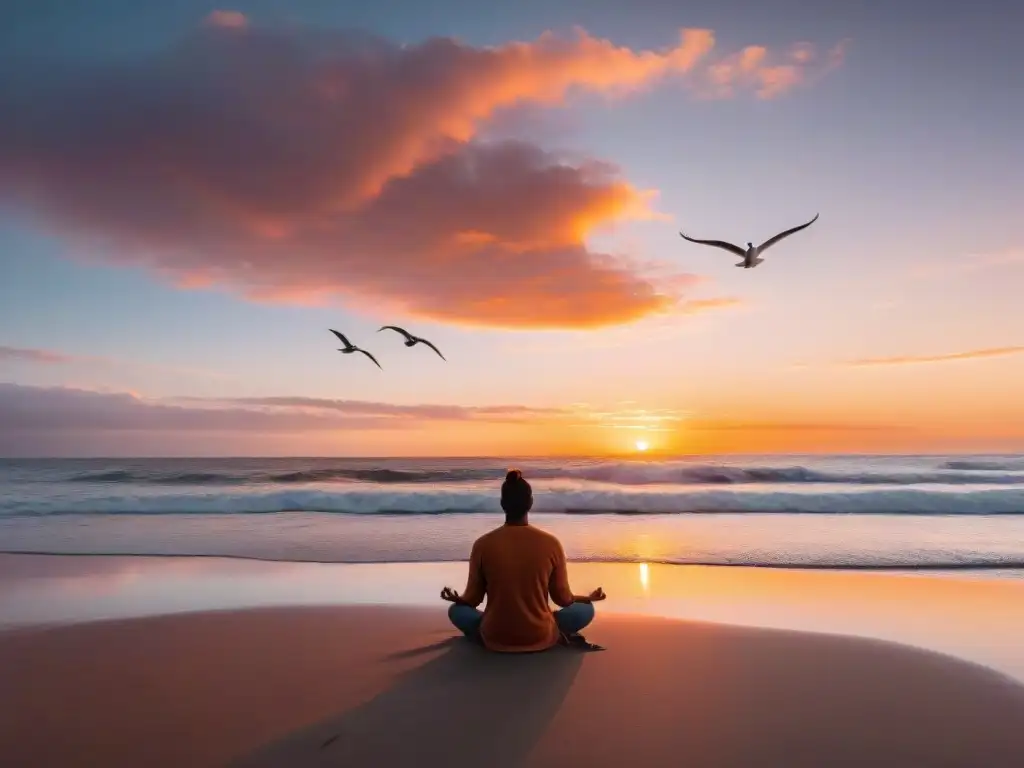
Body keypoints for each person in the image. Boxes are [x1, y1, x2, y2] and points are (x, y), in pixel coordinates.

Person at [440, 469, 606, 652]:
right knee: (585, 610)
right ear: (531, 503)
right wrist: (586, 598)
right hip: (541, 635)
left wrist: (458, 599)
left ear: (502, 504)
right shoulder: (551, 543)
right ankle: (551, 629)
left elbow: (472, 599)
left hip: (495, 635)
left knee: (456, 611)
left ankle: (485, 632)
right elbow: (563, 599)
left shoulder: (482, 544)